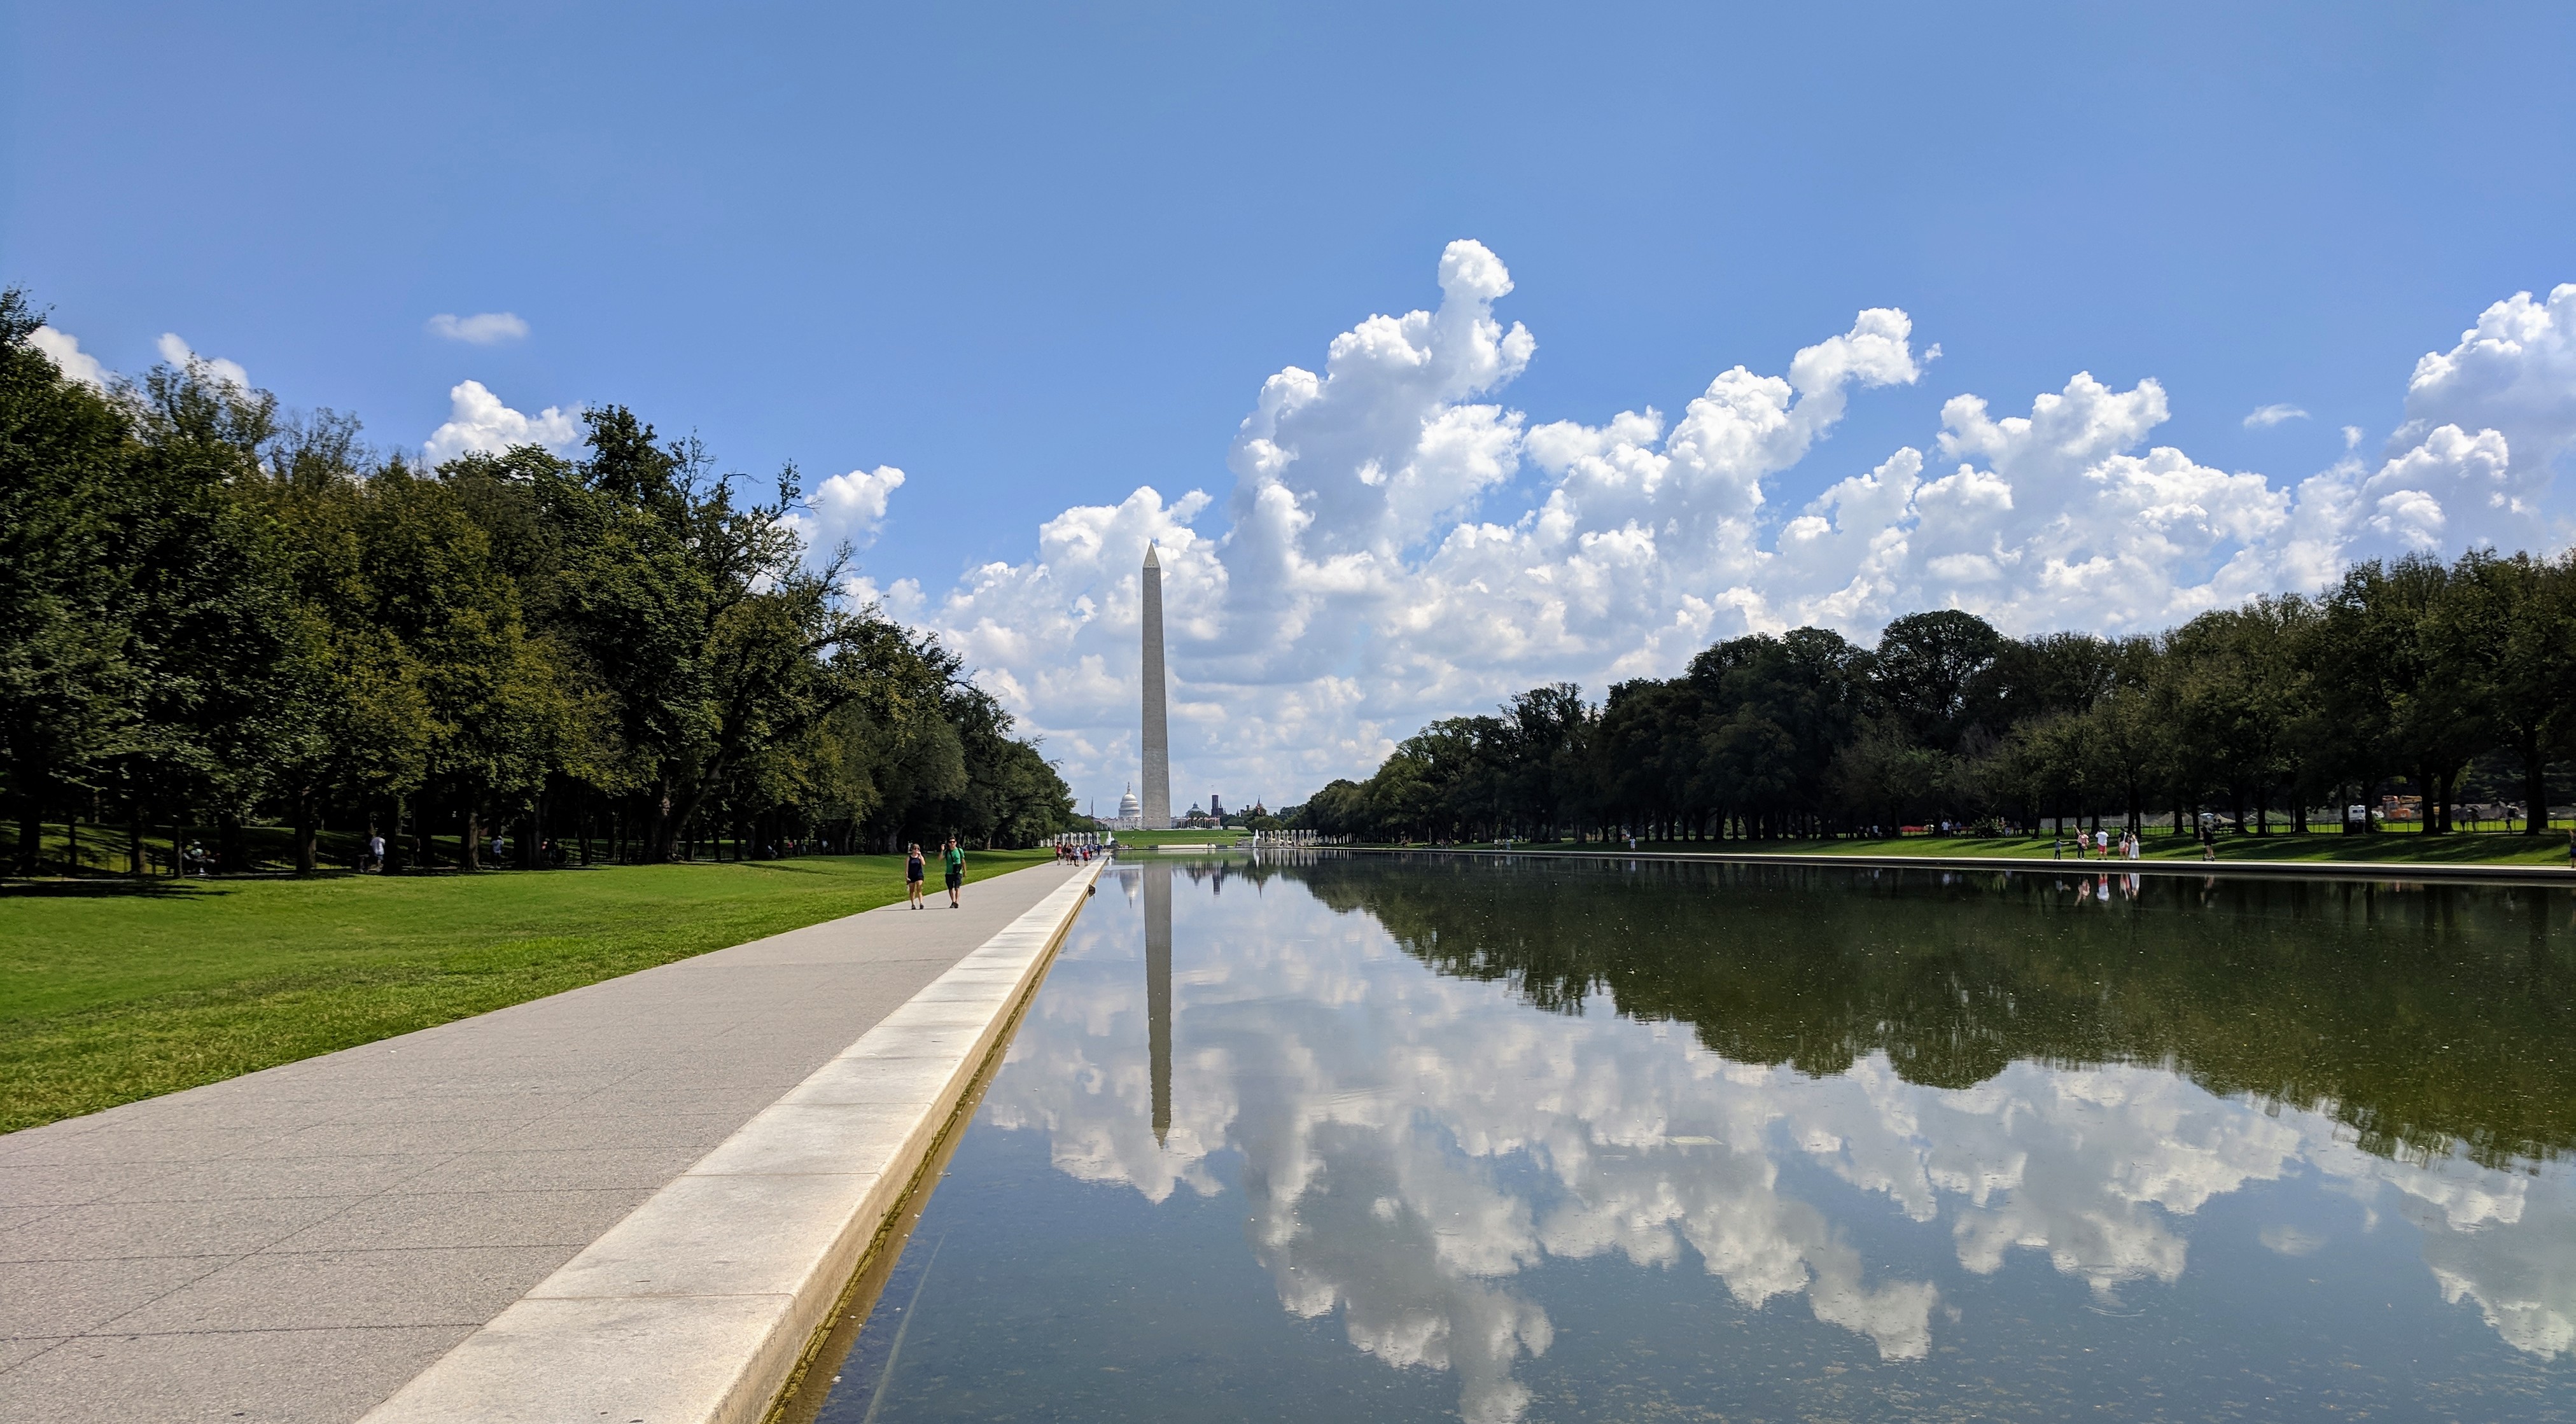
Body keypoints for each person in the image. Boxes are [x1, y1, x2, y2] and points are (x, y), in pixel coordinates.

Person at [943, 837, 966, 908]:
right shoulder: (946, 852)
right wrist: (942, 850)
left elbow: (963, 861)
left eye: (953, 842)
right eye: (951, 842)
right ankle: (953, 901)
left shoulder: (960, 851)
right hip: (949, 872)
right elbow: (940, 858)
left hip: (958, 872)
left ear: (956, 843)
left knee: (957, 887)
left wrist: (965, 871)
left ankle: (957, 901)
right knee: (950, 888)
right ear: (949, 843)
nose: (952, 843)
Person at [905, 842, 927, 909]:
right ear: (912, 850)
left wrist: (920, 856)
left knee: (919, 888)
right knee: (912, 890)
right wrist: (906, 876)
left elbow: (924, 863)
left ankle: (921, 903)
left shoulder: (920, 857)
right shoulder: (909, 858)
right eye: (915, 849)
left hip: (919, 875)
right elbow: (907, 868)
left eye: (918, 849)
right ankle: (913, 904)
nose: (916, 850)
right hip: (911, 875)